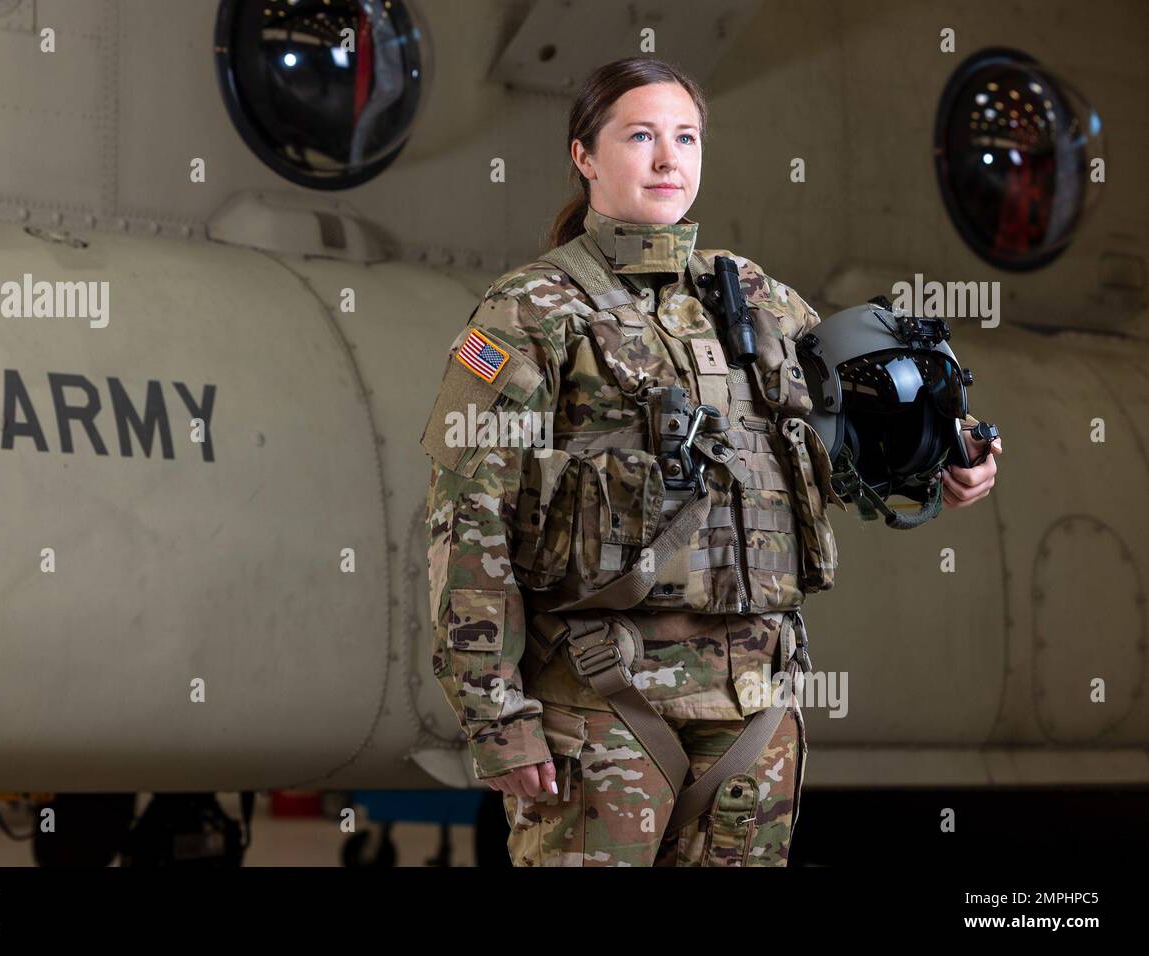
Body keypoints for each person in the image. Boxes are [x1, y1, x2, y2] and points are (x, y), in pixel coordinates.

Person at [419, 57, 1001, 867]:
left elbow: (847, 455)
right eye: (642, 136)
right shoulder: (530, 312)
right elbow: (467, 518)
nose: (668, 159)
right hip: (600, 705)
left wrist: (948, 467)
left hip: (755, 711)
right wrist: (497, 719)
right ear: (585, 156)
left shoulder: (759, 302)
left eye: (685, 137)